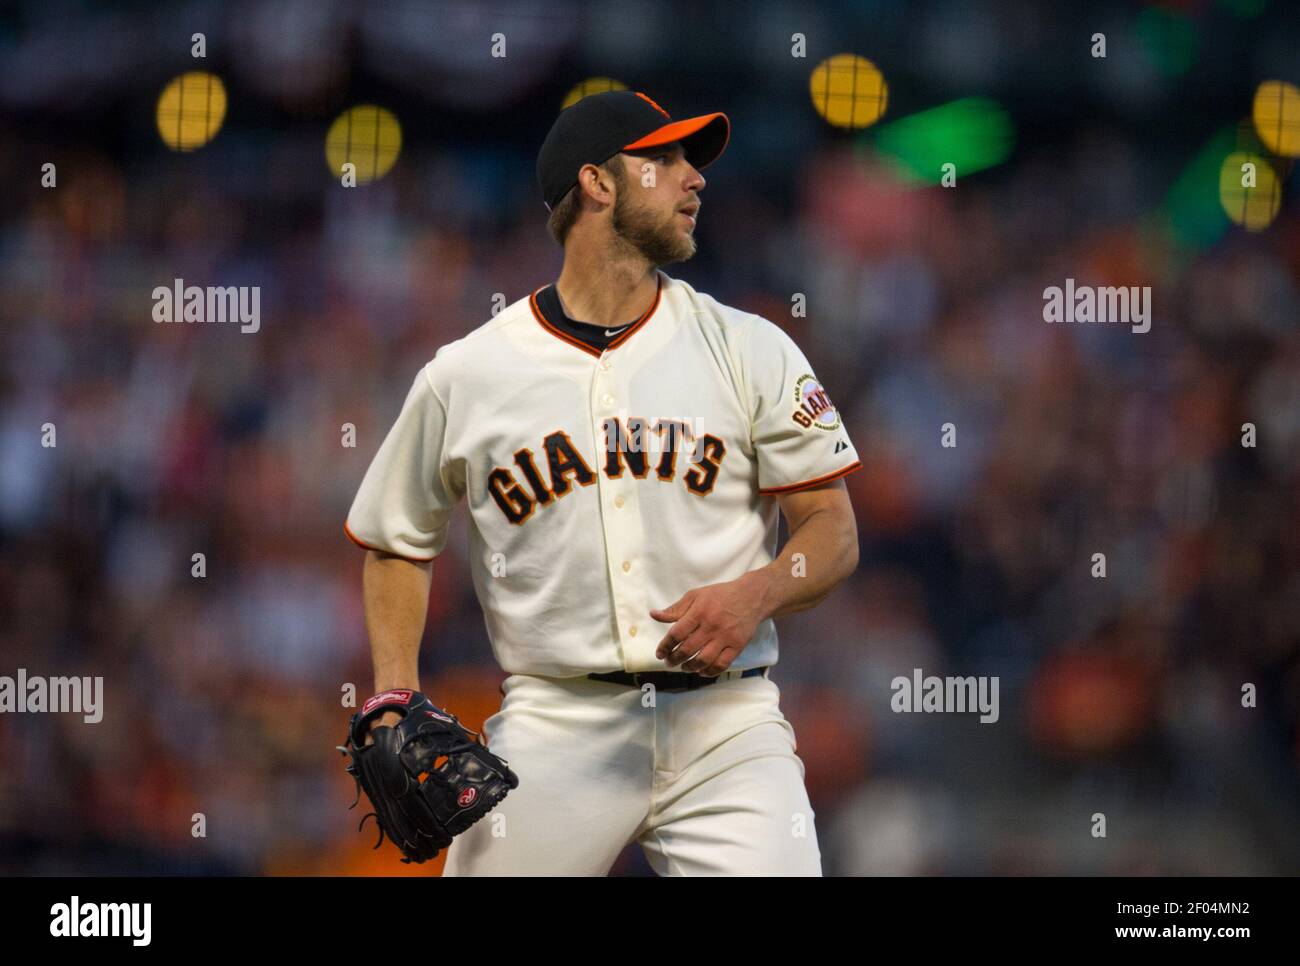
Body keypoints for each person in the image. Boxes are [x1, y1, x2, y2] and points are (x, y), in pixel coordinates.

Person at [344, 90, 862, 875]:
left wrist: (756, 592)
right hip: (556, 725)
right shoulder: (469, 374)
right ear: (597, 183)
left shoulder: (750, 347)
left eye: (691, 161)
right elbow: (396, 542)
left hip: (728, 725)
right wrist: (393, 691)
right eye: (665, 159)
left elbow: (832, 532)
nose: (695, 179)